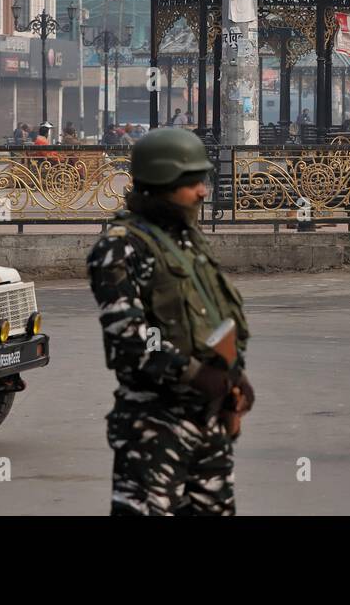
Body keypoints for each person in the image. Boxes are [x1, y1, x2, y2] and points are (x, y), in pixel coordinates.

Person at [87, 127, 253, 515]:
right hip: (154, 428)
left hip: (207, 419)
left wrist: (233, 375)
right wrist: (195, 374)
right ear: (162, 183)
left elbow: (211, 316)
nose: (202, 191)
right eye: (192, 182)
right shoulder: (120, 246)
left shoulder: (186, 240)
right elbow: (130, 340)